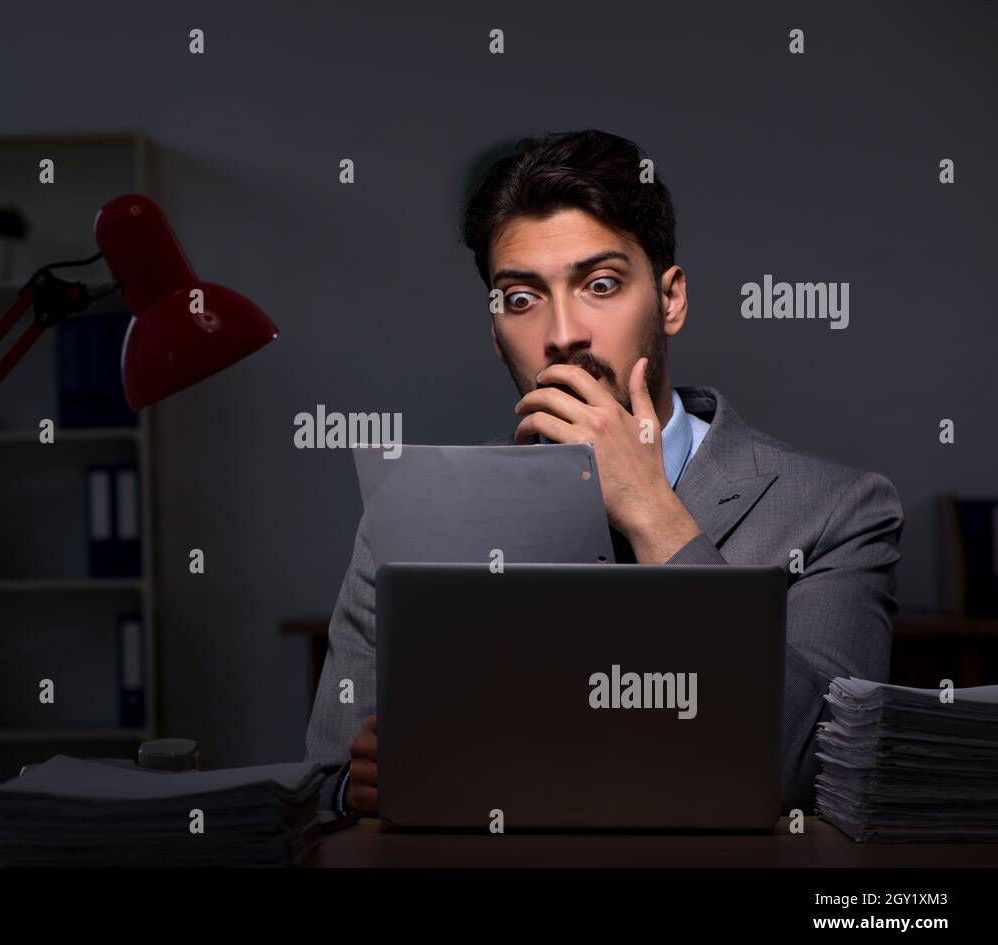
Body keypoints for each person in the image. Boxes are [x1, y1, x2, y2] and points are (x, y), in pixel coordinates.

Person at [304, 129, 903, 817]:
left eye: (601, 284)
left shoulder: (837, 510)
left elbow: (822, 774)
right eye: (522, 298)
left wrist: (651, 510)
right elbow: (318, 786)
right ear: (495, 332)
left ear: (670, 300)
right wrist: (360, 787)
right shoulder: (404, 519)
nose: (563, 333)